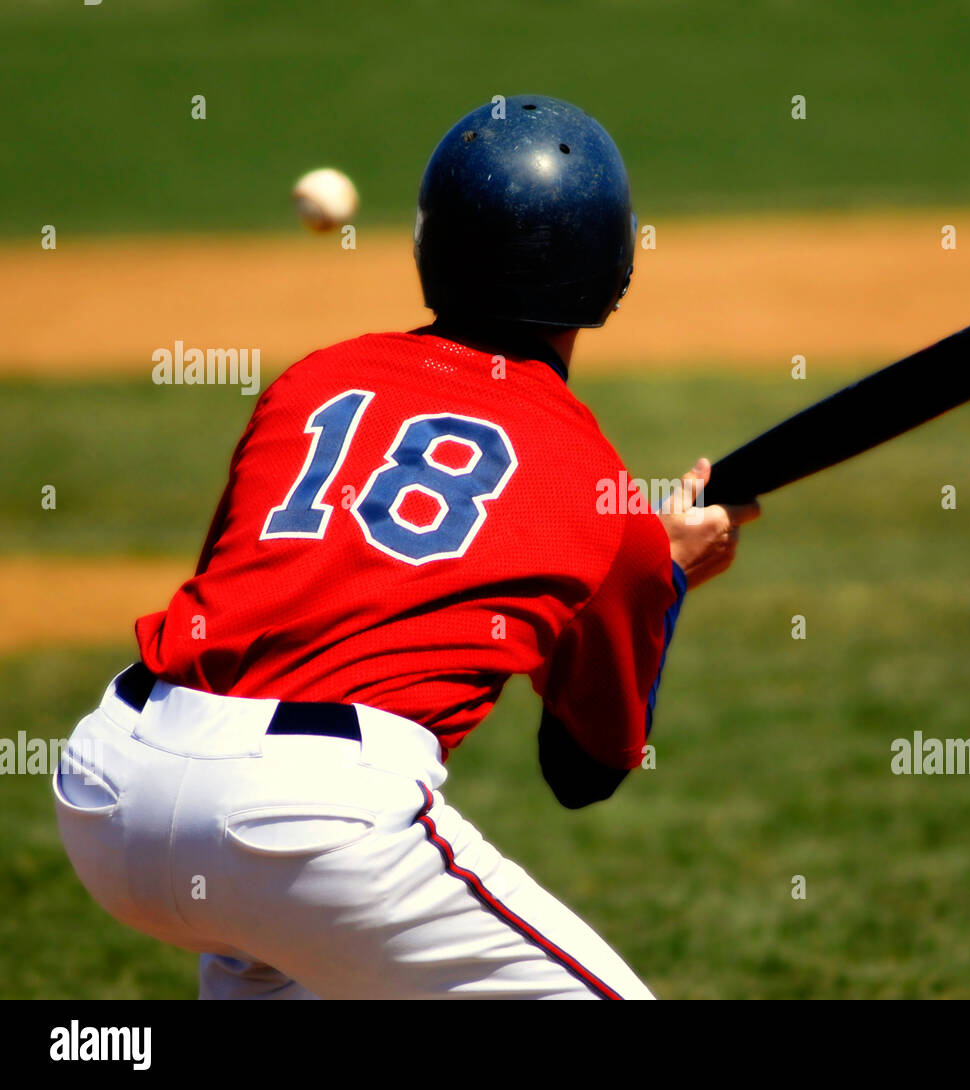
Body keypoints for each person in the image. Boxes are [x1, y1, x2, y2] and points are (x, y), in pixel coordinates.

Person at [52, 95, 759, 1000]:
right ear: (611, 267)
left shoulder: (312, 381)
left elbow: (243, 593)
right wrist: (660, 572)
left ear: (431, 245)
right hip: (312, 830)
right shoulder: (598, 485)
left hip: (112, 781)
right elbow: (582, 772)